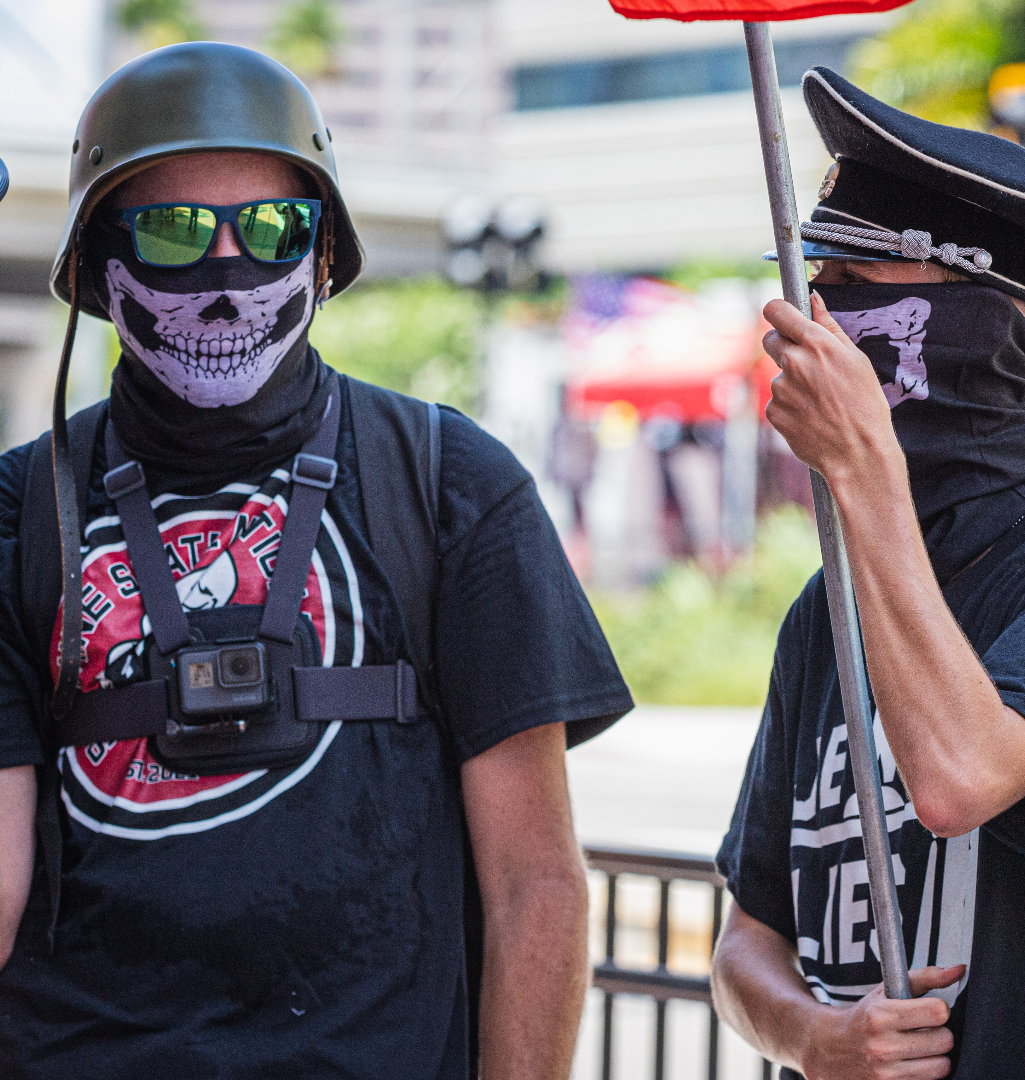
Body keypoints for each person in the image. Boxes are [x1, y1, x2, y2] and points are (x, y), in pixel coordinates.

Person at [0, 43, 633, 1078]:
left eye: (272, 230)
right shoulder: (21, 513)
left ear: (325, 255)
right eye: (171, 231)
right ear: (97, 272)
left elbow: (538, 887)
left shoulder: (449, 485)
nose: (226, 275)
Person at [710, 68, 1025, 1080]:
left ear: (980, 329)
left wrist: (864, 473)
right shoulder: (823, 611)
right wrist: (811, 1035)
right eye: (812, 284)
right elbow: (745, 942)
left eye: (851, 285)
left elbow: (960, 777)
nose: (810, 320)